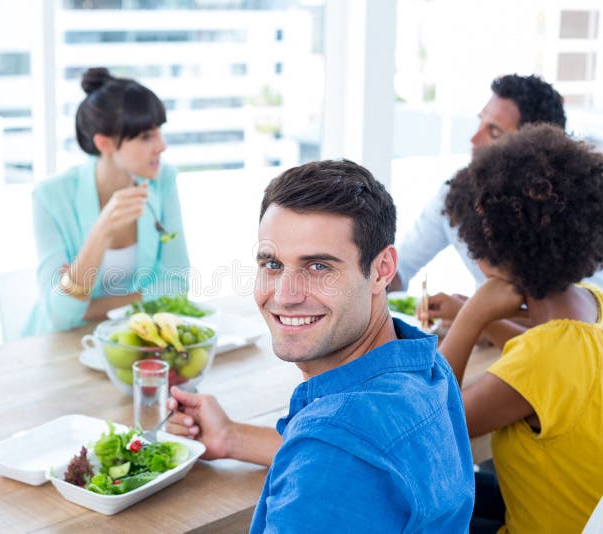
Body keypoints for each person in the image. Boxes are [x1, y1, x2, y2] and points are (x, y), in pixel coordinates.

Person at [168, 160, 474, 531]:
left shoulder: (332, 456)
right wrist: (231, 437)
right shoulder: (423, 363)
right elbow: (364, 456)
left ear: (382, 269)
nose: (285, 295)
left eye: (318, 267)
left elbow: (340, 458)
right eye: (272, 263)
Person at [435, 124, 603, 533]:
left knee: (400, 501)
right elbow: (553, 358)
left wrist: (473, 315)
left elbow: (427, 428)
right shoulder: (593, 306)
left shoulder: (540, 361)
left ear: (489, 248)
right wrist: (486, 318)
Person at [24, 68, 189, 335]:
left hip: (135, 336)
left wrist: (86, 305)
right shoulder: (50, 197)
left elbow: (177, 287)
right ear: (104, 143)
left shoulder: (163, 180)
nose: (161, 145)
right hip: (61, 346)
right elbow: (59, 316)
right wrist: (101, 231)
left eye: (159, 131)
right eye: (146, 136)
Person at [391, 73, 589, 292]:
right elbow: (399, 267)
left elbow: (585, 314)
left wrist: (471, 314)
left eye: (494, 132)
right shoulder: (457, 195)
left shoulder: (574, 216)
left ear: (537, 146)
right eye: (480, 122)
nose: (474, 140)